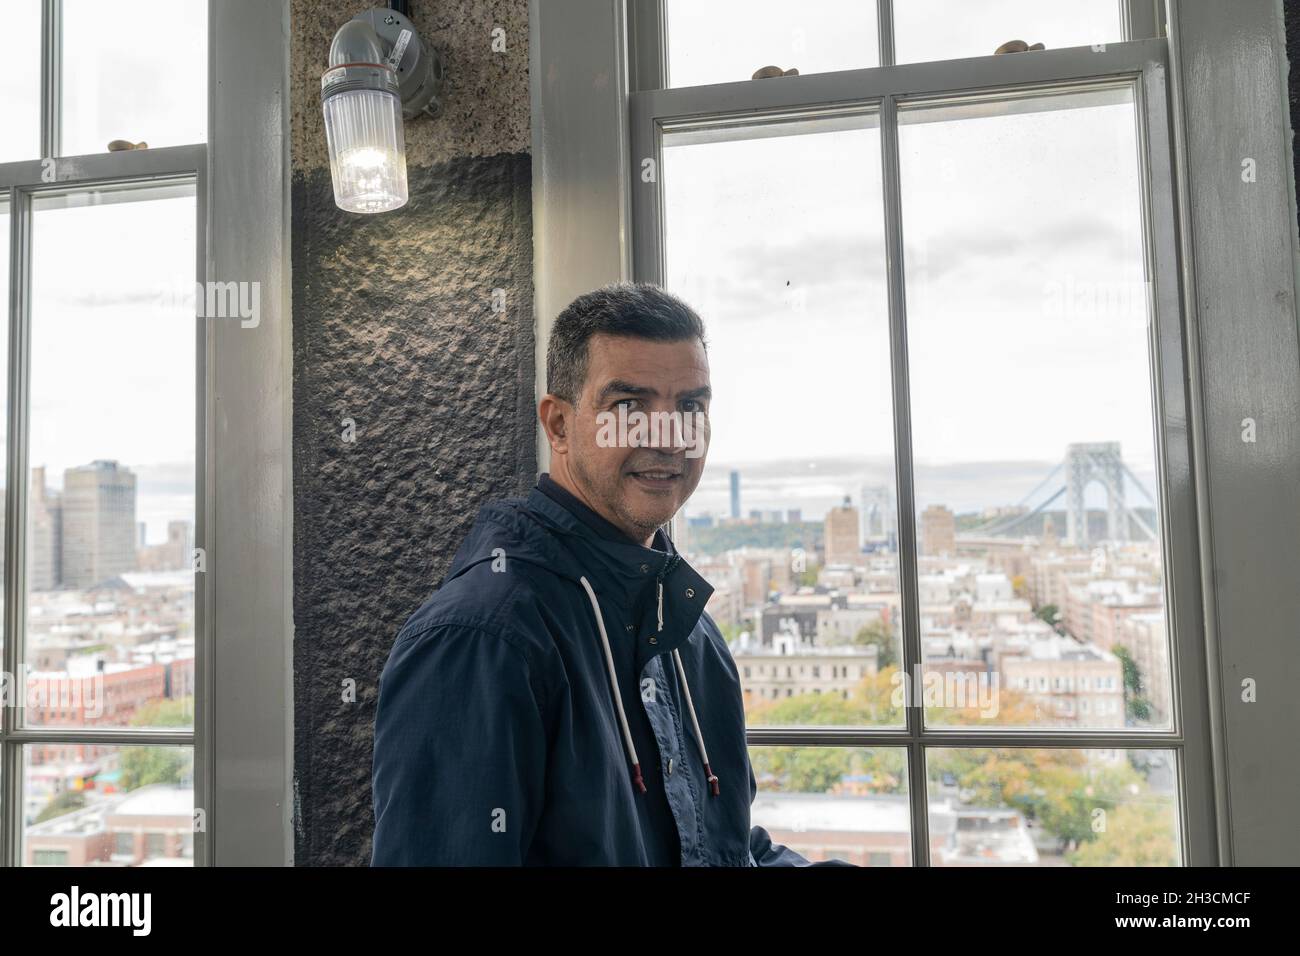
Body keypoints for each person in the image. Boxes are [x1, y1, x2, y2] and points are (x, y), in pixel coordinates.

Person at [370, 282, 852, 866]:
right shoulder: (480, 638)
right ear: (558, 426)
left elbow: (721, 850)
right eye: (628, 407)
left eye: (690, 408)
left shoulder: (686, 627)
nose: (668, 437)